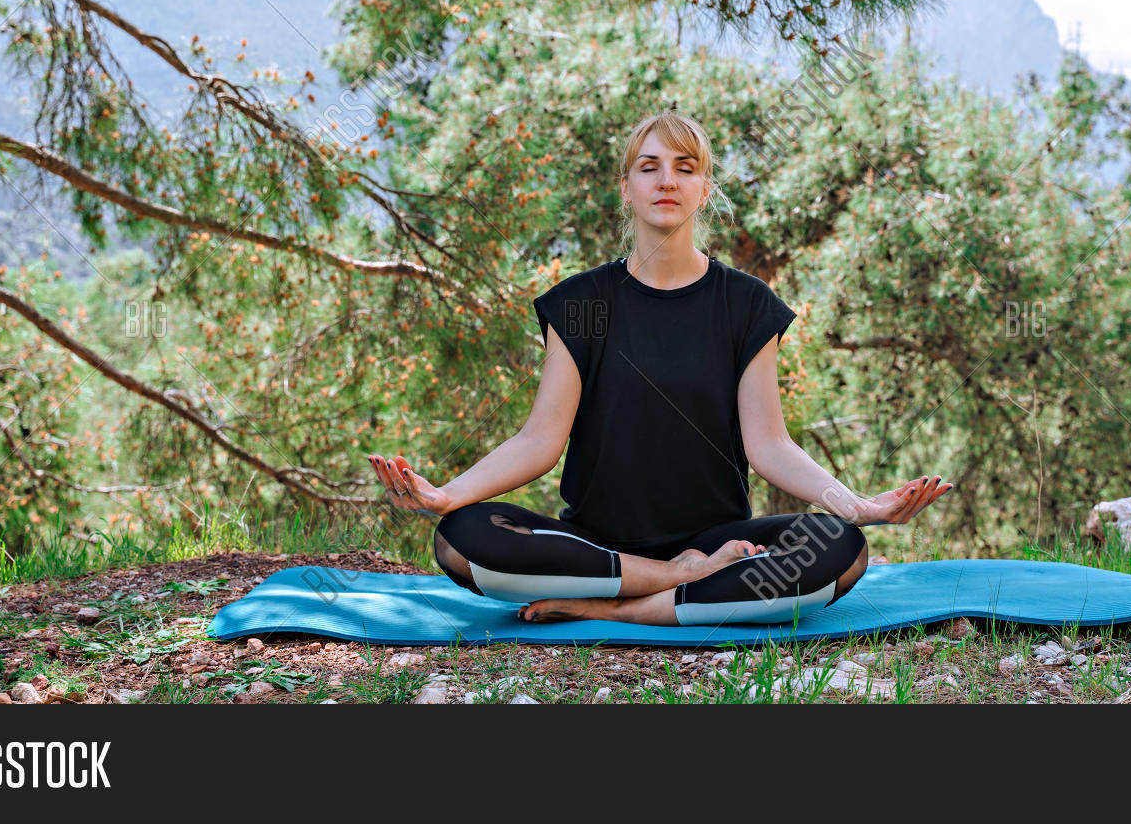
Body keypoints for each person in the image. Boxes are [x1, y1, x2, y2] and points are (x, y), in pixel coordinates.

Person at [369, 110, 952, 626]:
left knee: (840, 548)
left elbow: (770, 446)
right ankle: (671, 580)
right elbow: (538, 441)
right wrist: (448, 495)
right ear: (626, 187)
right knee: (460, 541)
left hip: (720, 540)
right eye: (649, 167)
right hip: (597, 544)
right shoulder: (583, 305)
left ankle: (622, 606)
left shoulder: (745, 306)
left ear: (704, 189)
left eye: (684, 166)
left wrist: (855, 505)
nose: (667, 180)